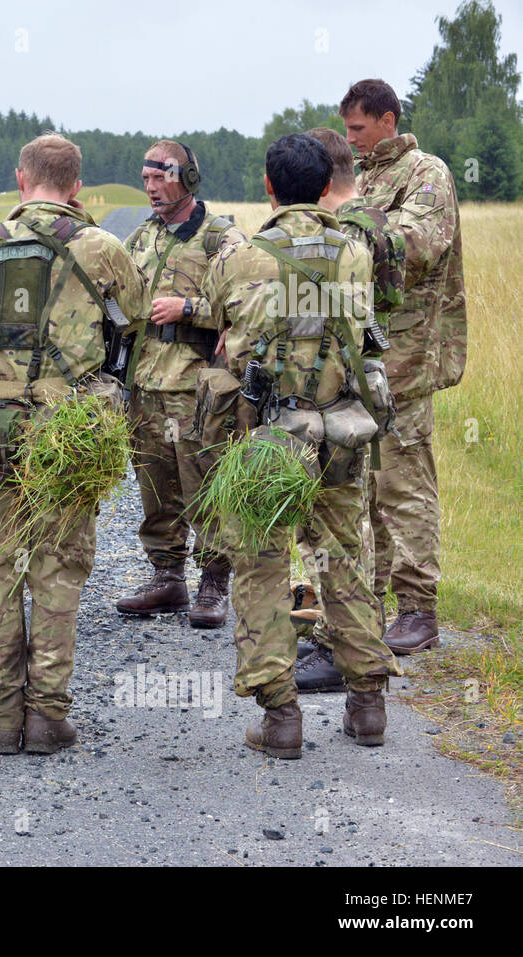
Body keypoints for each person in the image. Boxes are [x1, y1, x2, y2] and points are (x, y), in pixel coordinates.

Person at [0, 133, 148, 755]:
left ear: (21, 181)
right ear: (77, 186)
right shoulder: (104, 250)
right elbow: (141, 332)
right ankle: (48, 716)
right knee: (58, 570)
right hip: (69, 438)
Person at [201, 133, 401, 758]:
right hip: (340, 432)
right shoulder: (354, 251)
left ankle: (281, 716)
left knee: (260, 563)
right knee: (342, 558)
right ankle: (368, 704)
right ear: (324, 188)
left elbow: (215, 320)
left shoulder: (241, 256)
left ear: (268, 187)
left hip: (268, 442)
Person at [341, 78, 465, 655]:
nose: (352, 139)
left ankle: (419, 611)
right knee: (362, 485)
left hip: (406, 358)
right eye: (345, 131)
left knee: (404, 482)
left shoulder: (427, 173)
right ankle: (368, 601)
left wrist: (341, 237)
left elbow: (415, 244)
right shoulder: (362, 177)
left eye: (359, 129)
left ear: (388, 120)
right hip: (359, 357)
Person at [294, 125, 407, 694]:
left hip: (327, 398)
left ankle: (338, 648)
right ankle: (357, 650)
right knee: (356, 521)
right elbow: (387, 303)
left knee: (337, 531)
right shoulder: (372, 229)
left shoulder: (333, 235)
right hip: (363, 393)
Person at [115, 141, 245, 628]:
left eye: (160, 178)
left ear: (189, 178)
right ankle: (166, 576)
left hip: (196, 391)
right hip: (145, 384)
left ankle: (214, 582)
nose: (150, 189)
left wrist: (189, 309)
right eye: (145, 180)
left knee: (205, 487)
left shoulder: (221, 239)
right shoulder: (141, 238)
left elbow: (249, 301)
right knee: (154, 486)